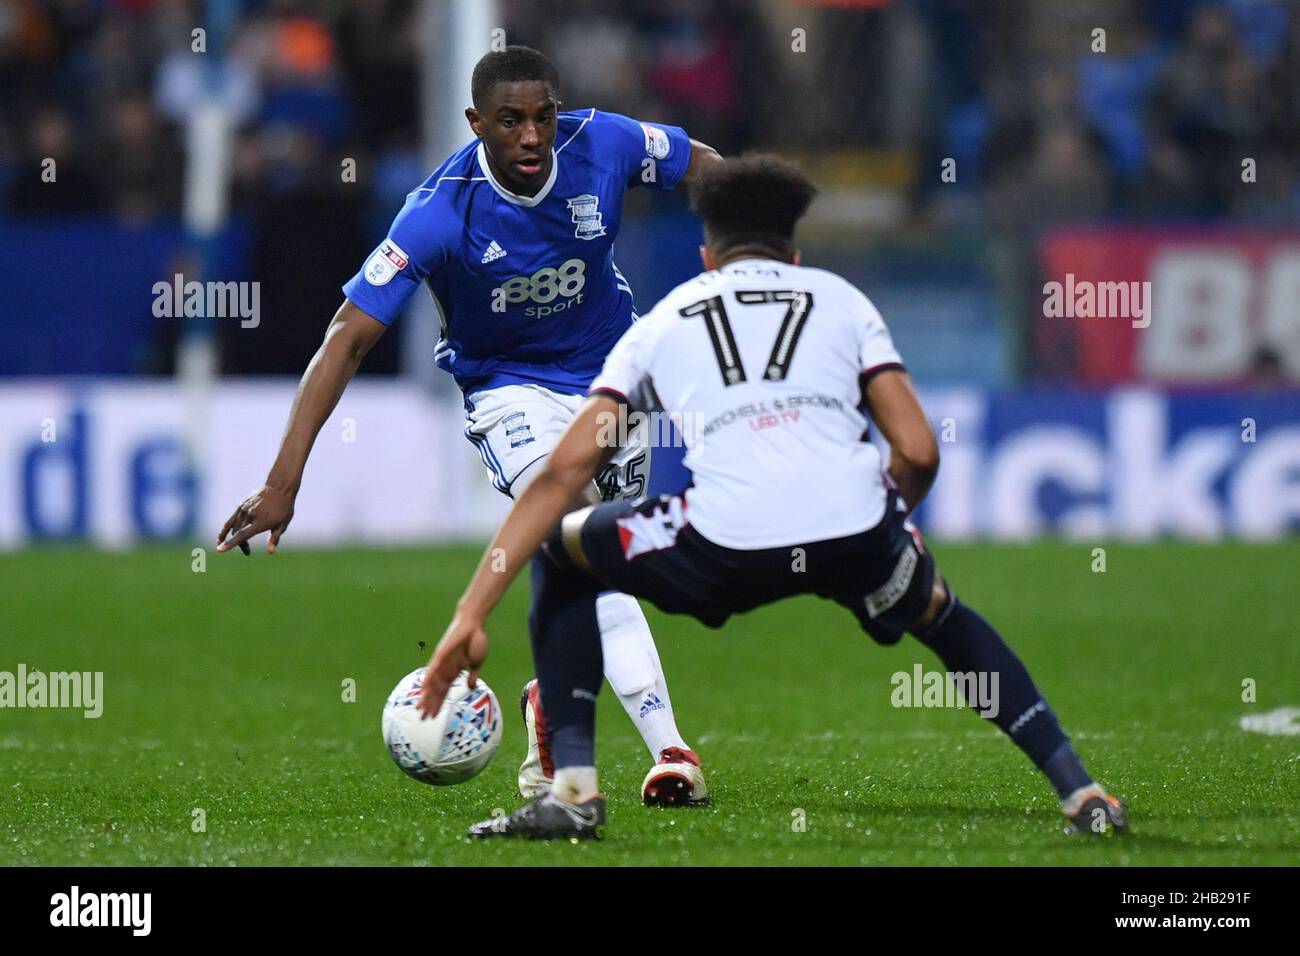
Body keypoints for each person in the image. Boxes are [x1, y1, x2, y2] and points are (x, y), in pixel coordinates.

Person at [417, 154, 1129, 841]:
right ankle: (1079, 787)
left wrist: (470, 613)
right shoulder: (843, 302)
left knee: (566, 550)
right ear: (792, 256)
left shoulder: (666, 319)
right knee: (941, 613)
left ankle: (573, 792)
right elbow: (918, 450)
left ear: (706, 256)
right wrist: (889, 534)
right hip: (853, 527)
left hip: (721, 539)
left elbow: (562, 473)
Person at [217, 46, 723, 806]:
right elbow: (347, 337)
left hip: (620, 379)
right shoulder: (439, 211)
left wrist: (753, 244)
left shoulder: (604, 143)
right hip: (509, 394)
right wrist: (282, 484)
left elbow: (703, 164)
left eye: (542, 118)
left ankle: (550, 700)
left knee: (625, 558)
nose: (529, 136)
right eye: (510, 121)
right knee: (585, 536)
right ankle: (673, 752)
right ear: (476, 122)